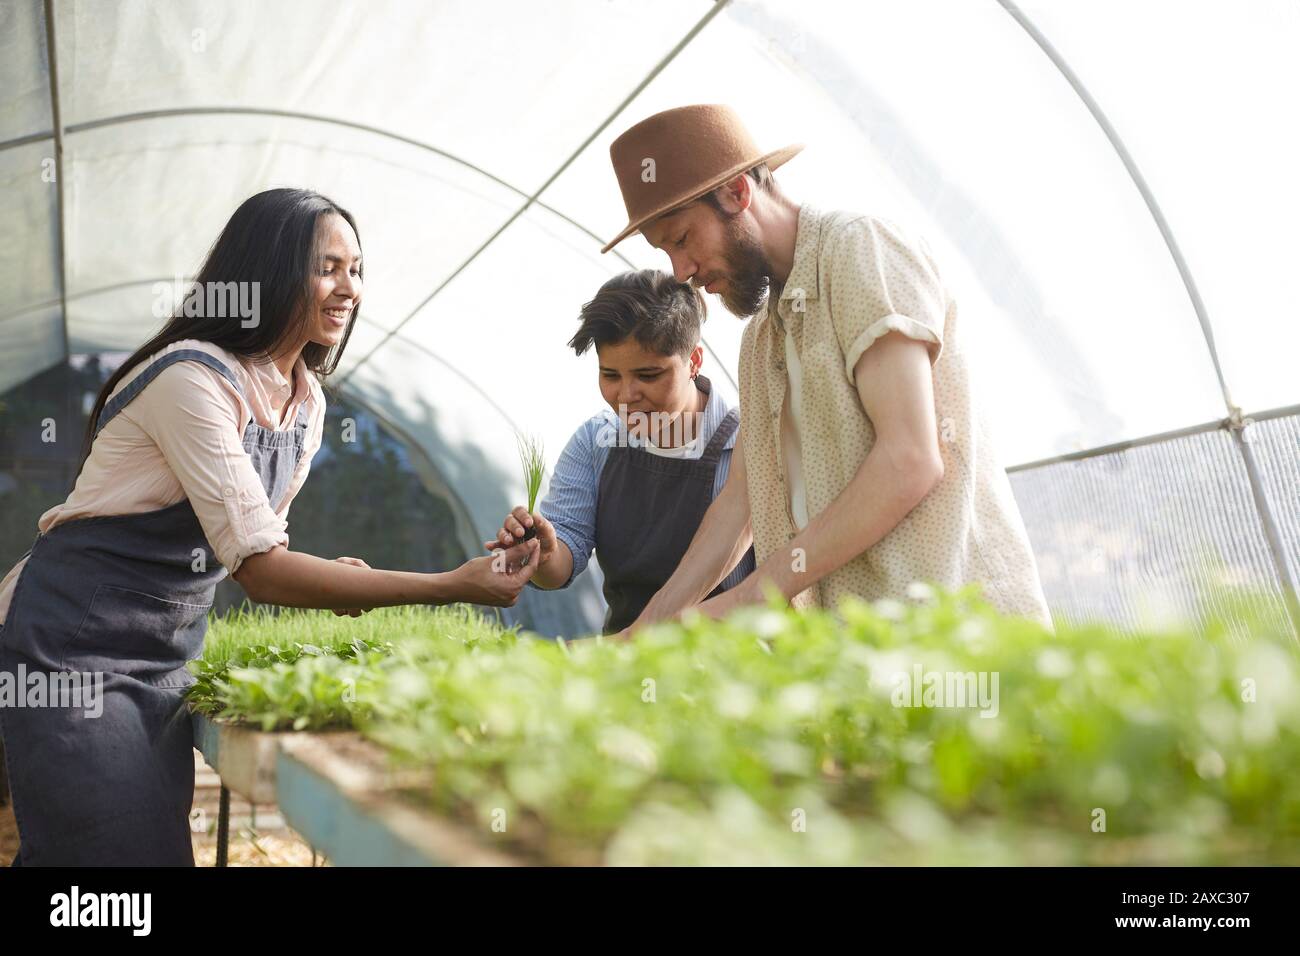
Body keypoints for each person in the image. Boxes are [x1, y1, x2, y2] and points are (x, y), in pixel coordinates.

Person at [0, 187, 537, 866]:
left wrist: (337, 579)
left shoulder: (304, 400)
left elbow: (259, 542)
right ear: (270, 272)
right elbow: (259, 572)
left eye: (357, 268)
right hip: (73, 647)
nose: (350, 288)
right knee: (112, 859)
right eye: (328, 268)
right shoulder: (190, 380)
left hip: (166, 652)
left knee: (120, 855)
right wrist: (450, 585)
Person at [599, 104, 1051, 630]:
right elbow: (737, 505)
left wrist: (750, 598)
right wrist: (641, 634)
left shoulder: (860, 250)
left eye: (681, 239)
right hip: (856, 654)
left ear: (737, 194)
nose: (682, 272)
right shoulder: (761, 338)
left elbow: (909, 458)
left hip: (958, 641)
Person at [488, 269, 755, 634]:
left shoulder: (747, 443)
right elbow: (562, 562)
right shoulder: (594, 442)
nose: (626, 396)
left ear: (693, 361)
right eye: (610, 375)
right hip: (622, 664)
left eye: (648, 375)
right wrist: (544, 552)